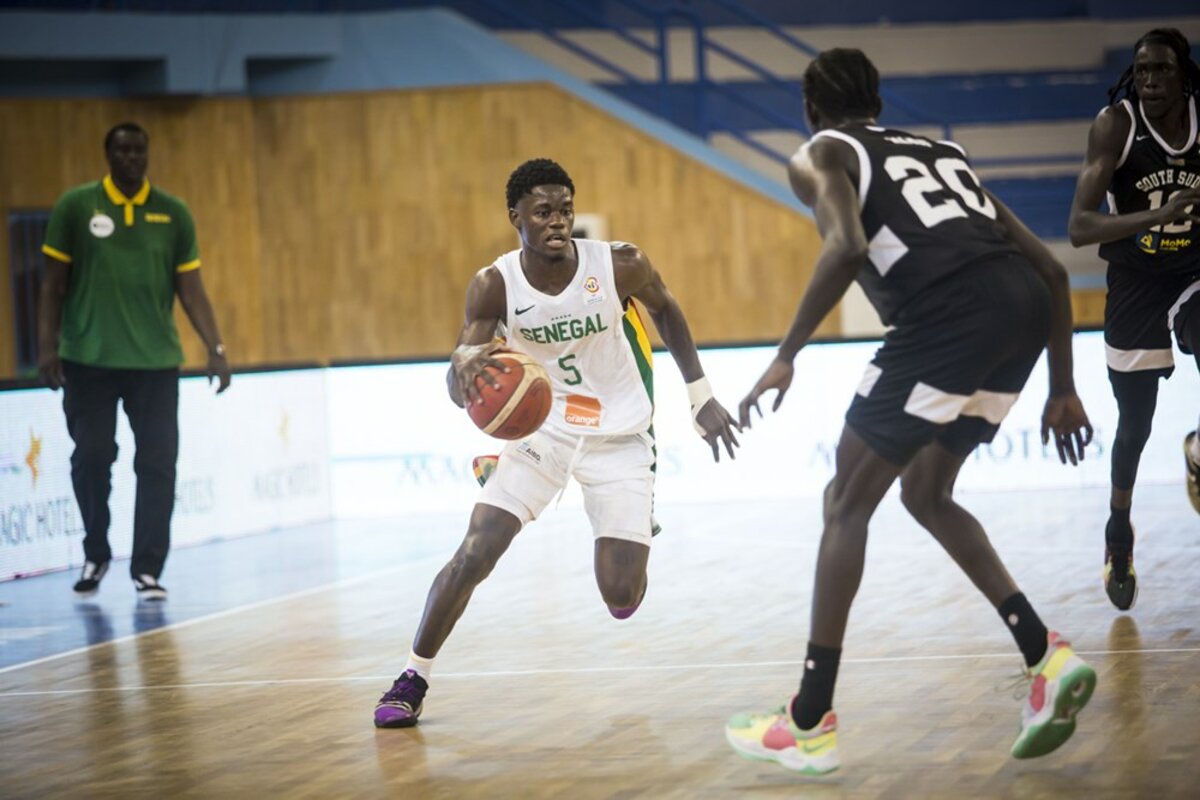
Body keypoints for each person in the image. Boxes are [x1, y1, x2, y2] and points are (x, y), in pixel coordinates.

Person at [723, 49, 1097, 774]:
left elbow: (846, 245)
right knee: (926, 494)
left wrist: (786, 352)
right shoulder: (941, 151)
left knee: (844, 503)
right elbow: (1052, 271)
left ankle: (807, 722)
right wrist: (1062, 387)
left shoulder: (819, 152)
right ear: (878, 101)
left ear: (810, 109)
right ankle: (1044, 658)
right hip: (1022, 309)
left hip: (948, 318)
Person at [373, 158, 740, 728]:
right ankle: (411, 678)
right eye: (542, 212)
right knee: (476, 551)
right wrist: (460, 363)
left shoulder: (620, 265)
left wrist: (701, 396)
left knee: (621, 597)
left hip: (620, 433)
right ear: (514, 216)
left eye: (564, 210)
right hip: (543, 431)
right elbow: (459, 390)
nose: (557, 221)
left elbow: (667, 311)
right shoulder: (494, 285)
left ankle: (638, 513)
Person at [38, 122, 231, 602]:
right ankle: (96, 551)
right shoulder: (76, 207)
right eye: (122, 150)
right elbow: (52, 286)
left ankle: (147, 568)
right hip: (88, 358)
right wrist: (46, 347)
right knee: (92, 456)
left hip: (155, 361)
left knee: (158, 463)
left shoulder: (172, 213)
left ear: (147, 155)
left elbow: (192, 289)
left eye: (139, 150)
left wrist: (216, 346)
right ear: (107, 155)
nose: (131, 158)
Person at [1066, 28, 1200, 612]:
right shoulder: (1115, 127)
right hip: (1135, 280)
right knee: (1135, 427)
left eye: (1161, 71)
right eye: (1141, 70)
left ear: (1183, 75)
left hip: (1194, 269)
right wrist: (1157, 217)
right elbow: (1079, 226)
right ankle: (1119, 534)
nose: (1148, 81)